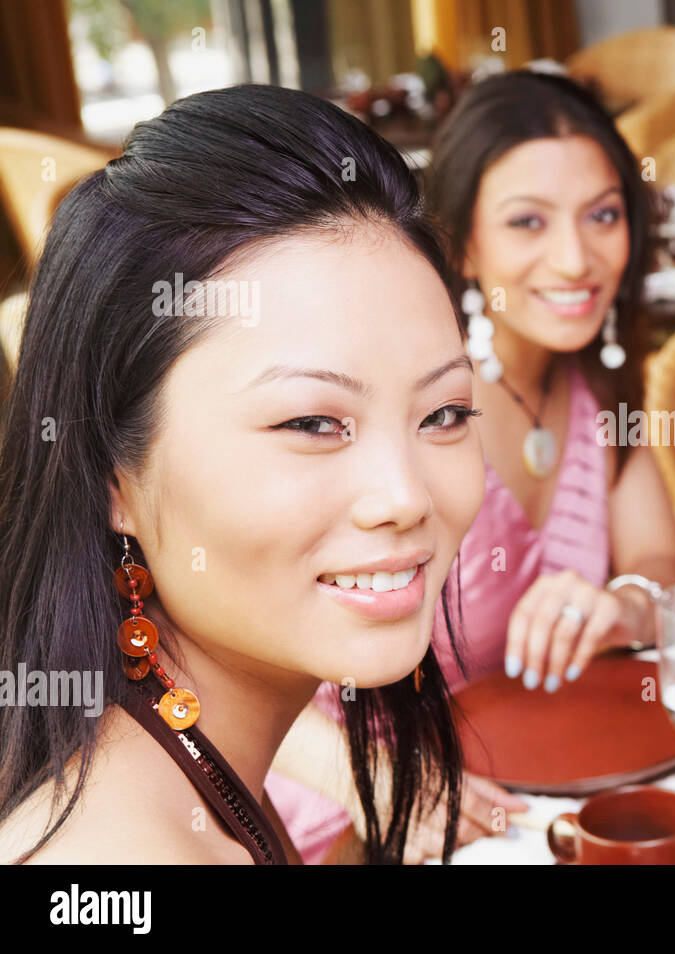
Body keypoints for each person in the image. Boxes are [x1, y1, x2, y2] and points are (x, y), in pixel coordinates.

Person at [0, 84, 481, 864]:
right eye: (312, 423)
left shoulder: (185, 768)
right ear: (113, 477)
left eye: (445, 414)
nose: (405, 496)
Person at [265, 70, 675, 863]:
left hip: (531, 776)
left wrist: (622, 607)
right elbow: (190, 642)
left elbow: (662, 565)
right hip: (347, 797)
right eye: (528, 221)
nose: (576, 257)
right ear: (461, 239)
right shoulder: (389, 388)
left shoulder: (599, 386)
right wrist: (376, 783)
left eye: (603, 215)